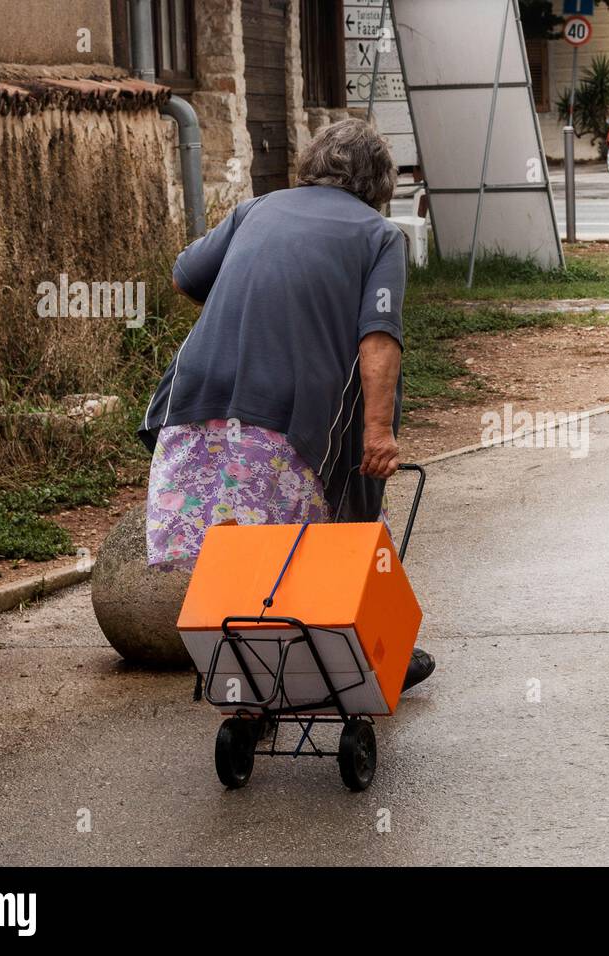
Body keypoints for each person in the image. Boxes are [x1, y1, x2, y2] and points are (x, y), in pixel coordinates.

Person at [137, 118, 433, 691]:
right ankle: (375, 655)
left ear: (313, 163)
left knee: (241, 554)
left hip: (196, 408)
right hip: (289, 423)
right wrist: (378, 430)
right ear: (379, 184)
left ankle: (247, 679)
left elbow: (185, 276)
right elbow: (379, 338)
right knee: (340, 537)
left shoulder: (258, 209)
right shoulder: (379, 236)